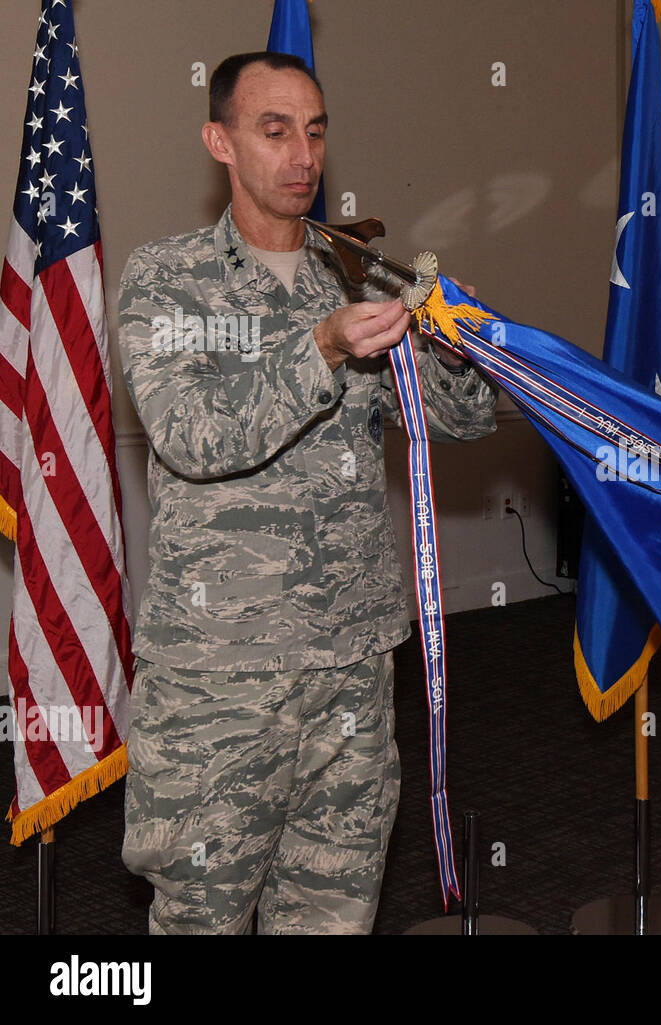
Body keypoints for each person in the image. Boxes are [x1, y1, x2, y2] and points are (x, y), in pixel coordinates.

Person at [117, 51, 497, 933]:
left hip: (353, 675)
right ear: (221, 140)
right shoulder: (168, 279)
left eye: (315, 131)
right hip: (222, 684)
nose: (301, 153)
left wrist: (457, 341)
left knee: (333, 916)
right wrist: (319, 348)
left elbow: (464, 419)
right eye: (274, 129)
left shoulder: (360, 274)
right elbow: (191, 435)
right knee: (201, 918)